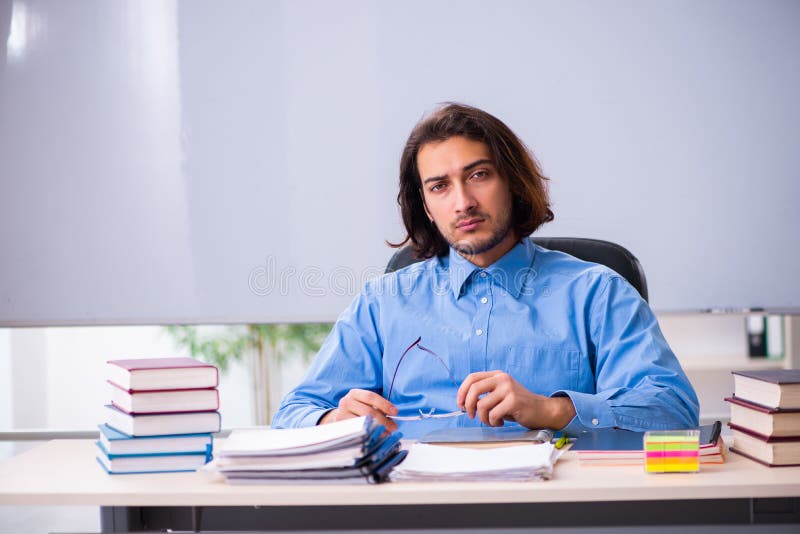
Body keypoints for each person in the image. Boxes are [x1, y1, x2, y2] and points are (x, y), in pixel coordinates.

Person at [272, 103, 698, 438]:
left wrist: (550, 409)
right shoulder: (381, 304)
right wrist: (332, 421)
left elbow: (674, 411)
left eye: (478, 175)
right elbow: (292, 413)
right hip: (415, 511)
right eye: (440, 186)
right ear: (426, 206)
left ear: (511, 181)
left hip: (551, 511)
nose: (462, 202)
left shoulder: (598, 293)